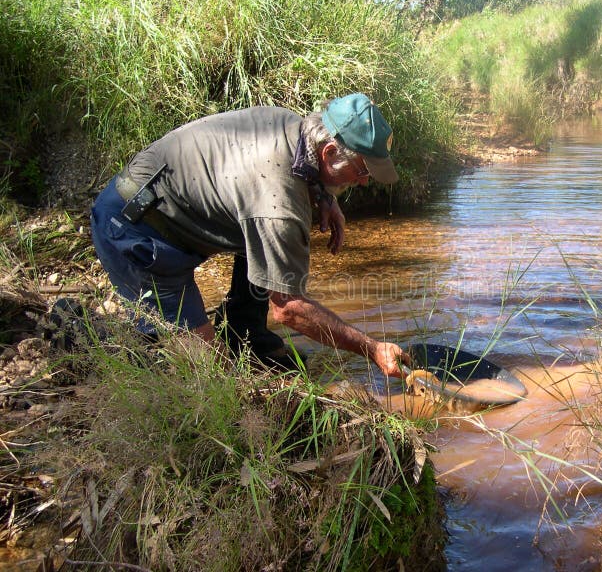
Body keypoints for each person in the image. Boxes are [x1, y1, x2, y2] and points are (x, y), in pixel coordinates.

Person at [89, 93, 410, 377]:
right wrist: (372, 349)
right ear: (328, 153)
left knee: (265, 246)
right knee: (213, 383)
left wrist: (326, 196)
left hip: (158, 202)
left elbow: (293, 175)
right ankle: (107, 346)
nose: (365, 182)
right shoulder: (278, 204)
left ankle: (247, 336)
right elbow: (288, 308)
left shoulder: (292, 127)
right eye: (363, 170)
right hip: (137, 233)